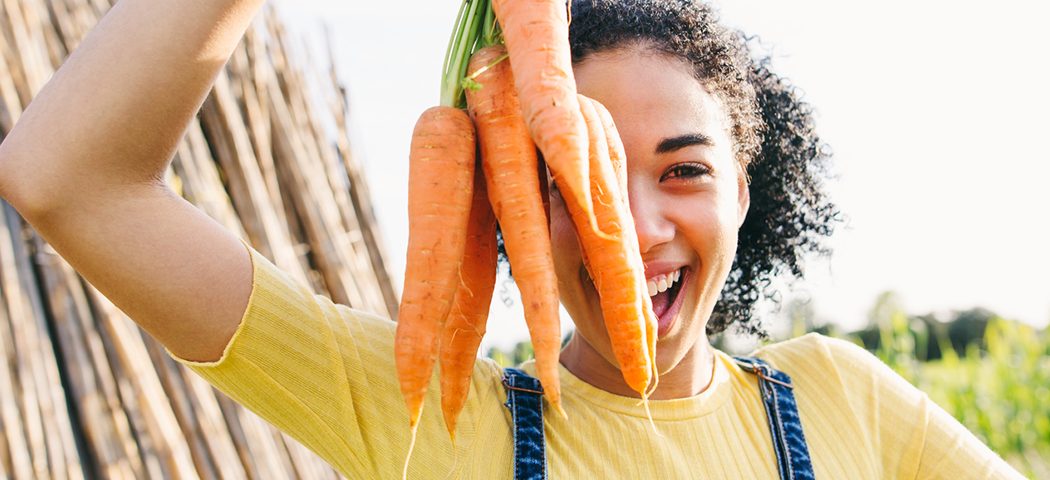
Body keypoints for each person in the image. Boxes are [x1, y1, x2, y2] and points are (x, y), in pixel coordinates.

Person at [0, 0, 1024, 478]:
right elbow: (68, 181)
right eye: (576, 180)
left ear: (743, 191)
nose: (635, 224)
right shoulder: (428, 412)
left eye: (684, 170)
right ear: (509, 203)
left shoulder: (841, 397)